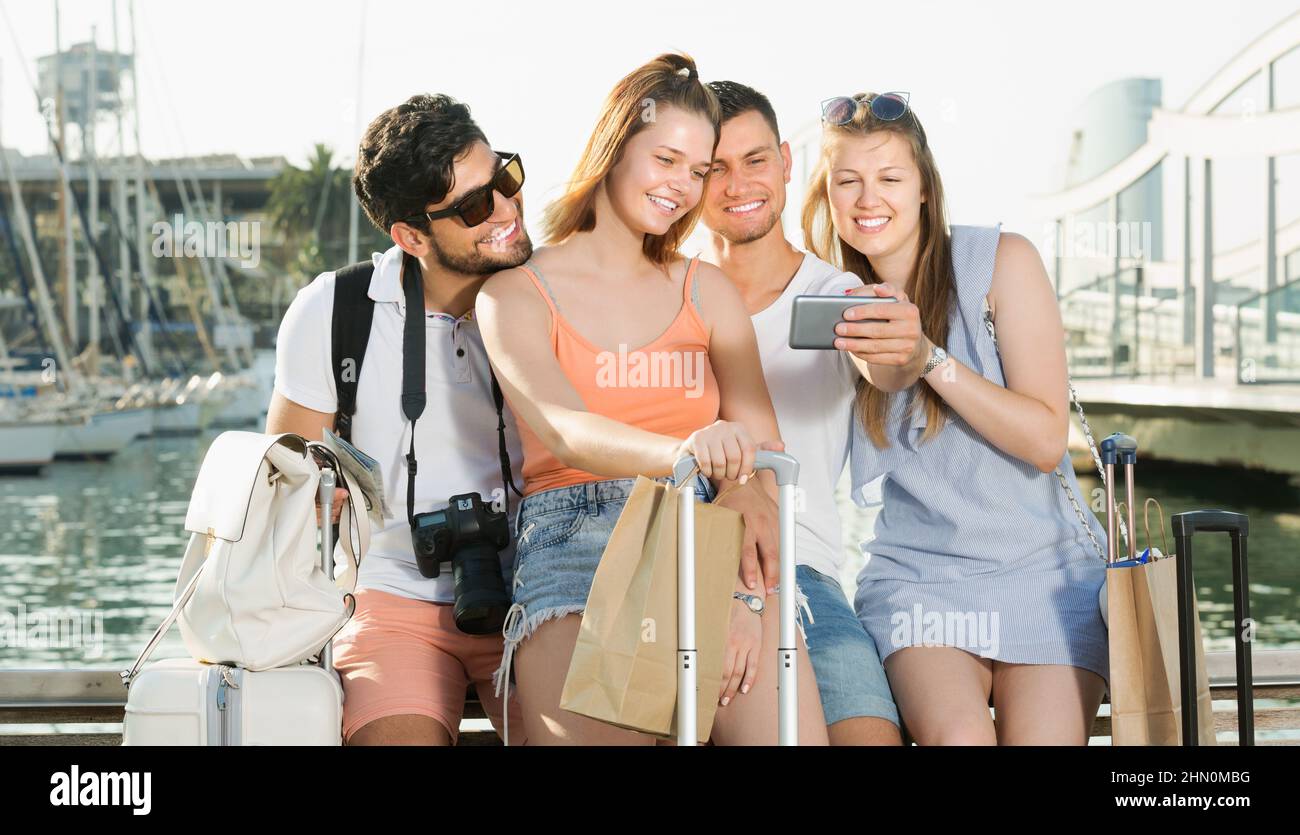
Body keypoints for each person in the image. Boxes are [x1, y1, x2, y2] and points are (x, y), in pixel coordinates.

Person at [477, 53, 828, 745]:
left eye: (697, 172)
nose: (684, 187)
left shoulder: (705, 290)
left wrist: (743, 595)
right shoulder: (513, 293)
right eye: (666, 159)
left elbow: (763, 460)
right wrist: (687, 453)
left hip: (713, 541)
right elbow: (565, 428)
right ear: (614, 146)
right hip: (576, 542)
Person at [802, 92, 1109, 744]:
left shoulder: (1001, 262)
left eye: (889, 178)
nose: (867, 199)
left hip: (1044, 572)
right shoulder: (838, 303)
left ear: (923, 190)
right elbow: (878, 374)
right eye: (846, 181)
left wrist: (930, 358)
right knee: (958, 739)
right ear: (826, 195)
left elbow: (1047, 438)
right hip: (921, 583)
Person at [266, 94, 533, 746]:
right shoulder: (335, 311)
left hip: (540, 586)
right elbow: (281, 487)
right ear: (411, 237)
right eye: (474, 206)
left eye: (505, 177)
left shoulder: (560, 287)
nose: (505, 209)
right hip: (393, 596)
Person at [698, 80, 902, 746]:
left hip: (807, 571)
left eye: (755, 160)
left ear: (787, 163)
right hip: (697, 567)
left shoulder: (839, 295)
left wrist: (902, 349)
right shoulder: (668, 292)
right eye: (715, 168)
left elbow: (888, 369)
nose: (737, 184)